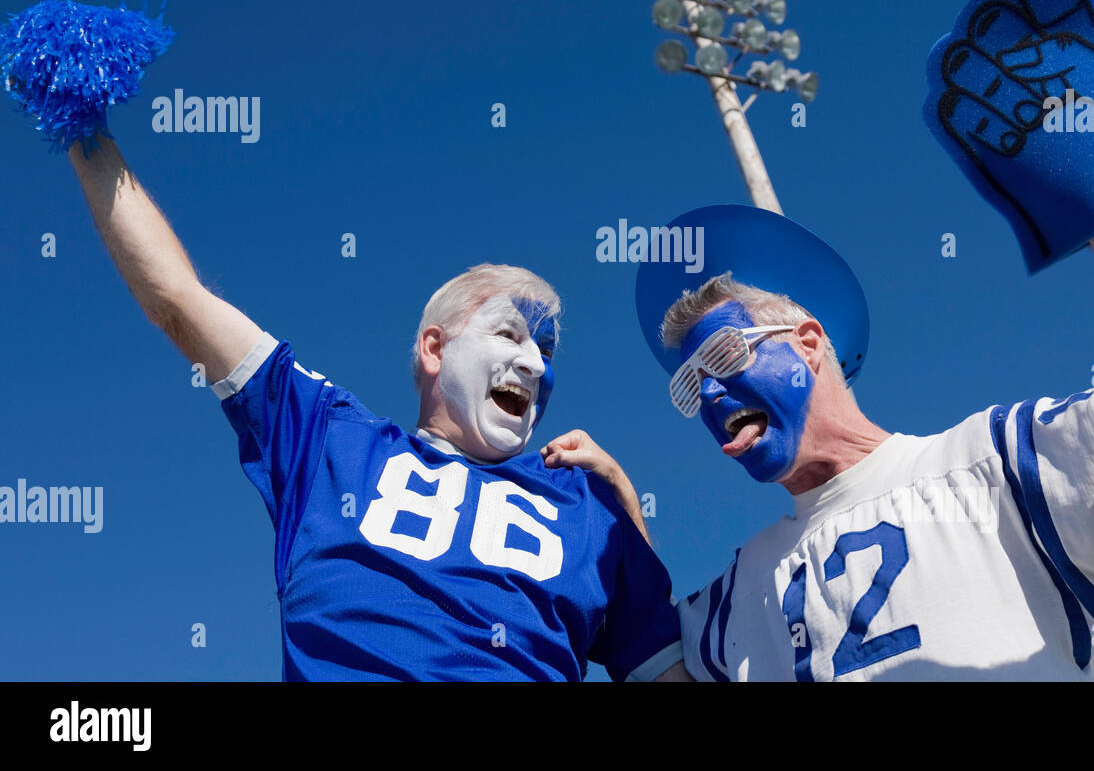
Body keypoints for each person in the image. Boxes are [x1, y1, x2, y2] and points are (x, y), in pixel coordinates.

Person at [67, 136, 685, 681]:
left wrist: (625, 503)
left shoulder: (585, 506)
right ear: (434, 348)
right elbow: (176, 297)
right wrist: (79, 122)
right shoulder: (327, 439)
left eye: (547, 350)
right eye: (510, 334)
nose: (536, 365)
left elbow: (663, 669)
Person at [636, 205, 1094, 681]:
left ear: (806, 341)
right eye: (690, 387)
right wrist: (613, 506)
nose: (711, 395)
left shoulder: (995, 460)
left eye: (722, 355)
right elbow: (633, 638)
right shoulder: (735, 594)